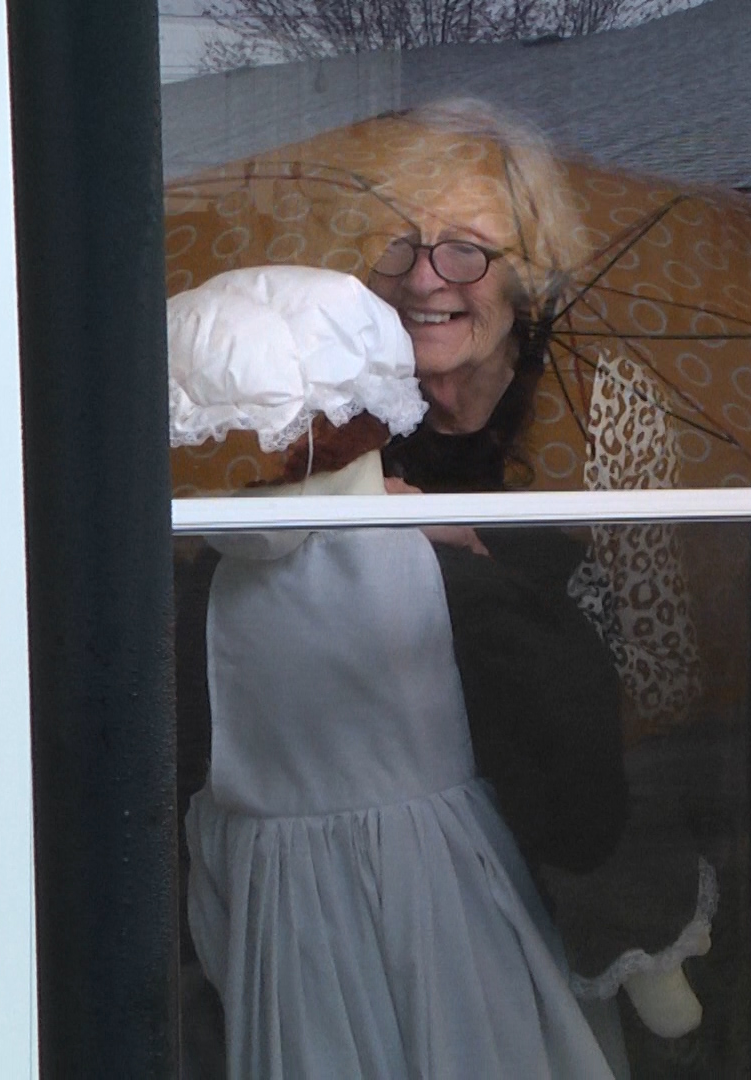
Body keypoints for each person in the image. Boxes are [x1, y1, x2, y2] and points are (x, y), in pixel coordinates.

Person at [168, 266, 620, 1078]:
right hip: (445, 940)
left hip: (287, 954)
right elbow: (584, 809)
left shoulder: (191, 597)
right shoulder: (459, 581)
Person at [359, 100, 722, 1045]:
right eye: (404, 246)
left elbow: (666, 678)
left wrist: (500, 593)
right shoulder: (342, 424)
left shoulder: (608, 420)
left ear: (529, 281)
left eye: (467, 250)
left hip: (572, 835)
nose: (426, 277)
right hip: (393, 838)